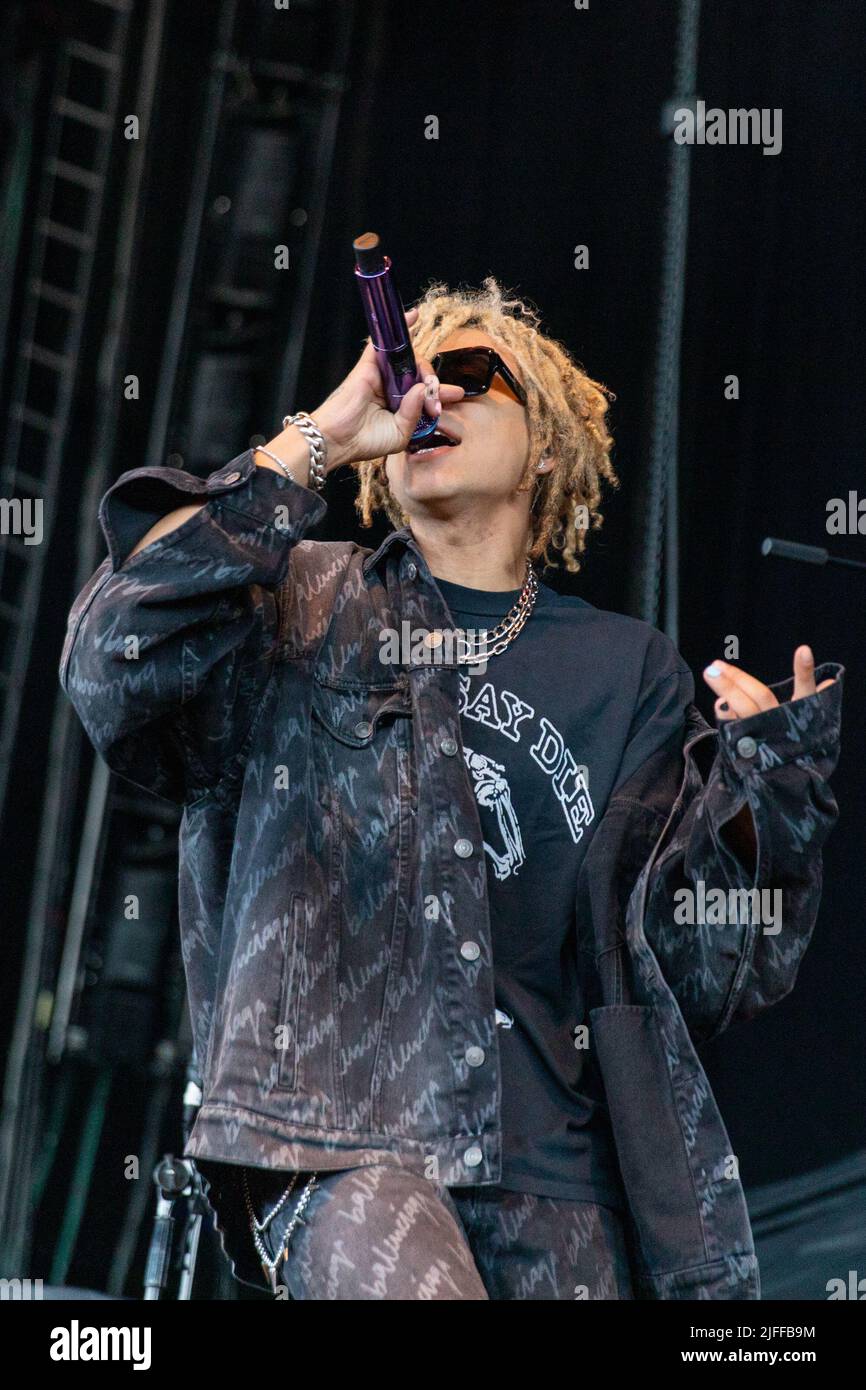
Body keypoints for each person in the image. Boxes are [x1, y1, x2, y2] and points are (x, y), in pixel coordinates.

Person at [60, 277, 842, 1300]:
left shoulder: (628, 669)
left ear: (547, 444)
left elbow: (711, 972)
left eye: (472, 373)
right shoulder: (294, 603)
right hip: (341, 1139)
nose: (437, 391)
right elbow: (108, 662)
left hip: (563, 1189)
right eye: (412, 372)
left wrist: (770, 786)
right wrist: (315, 443)